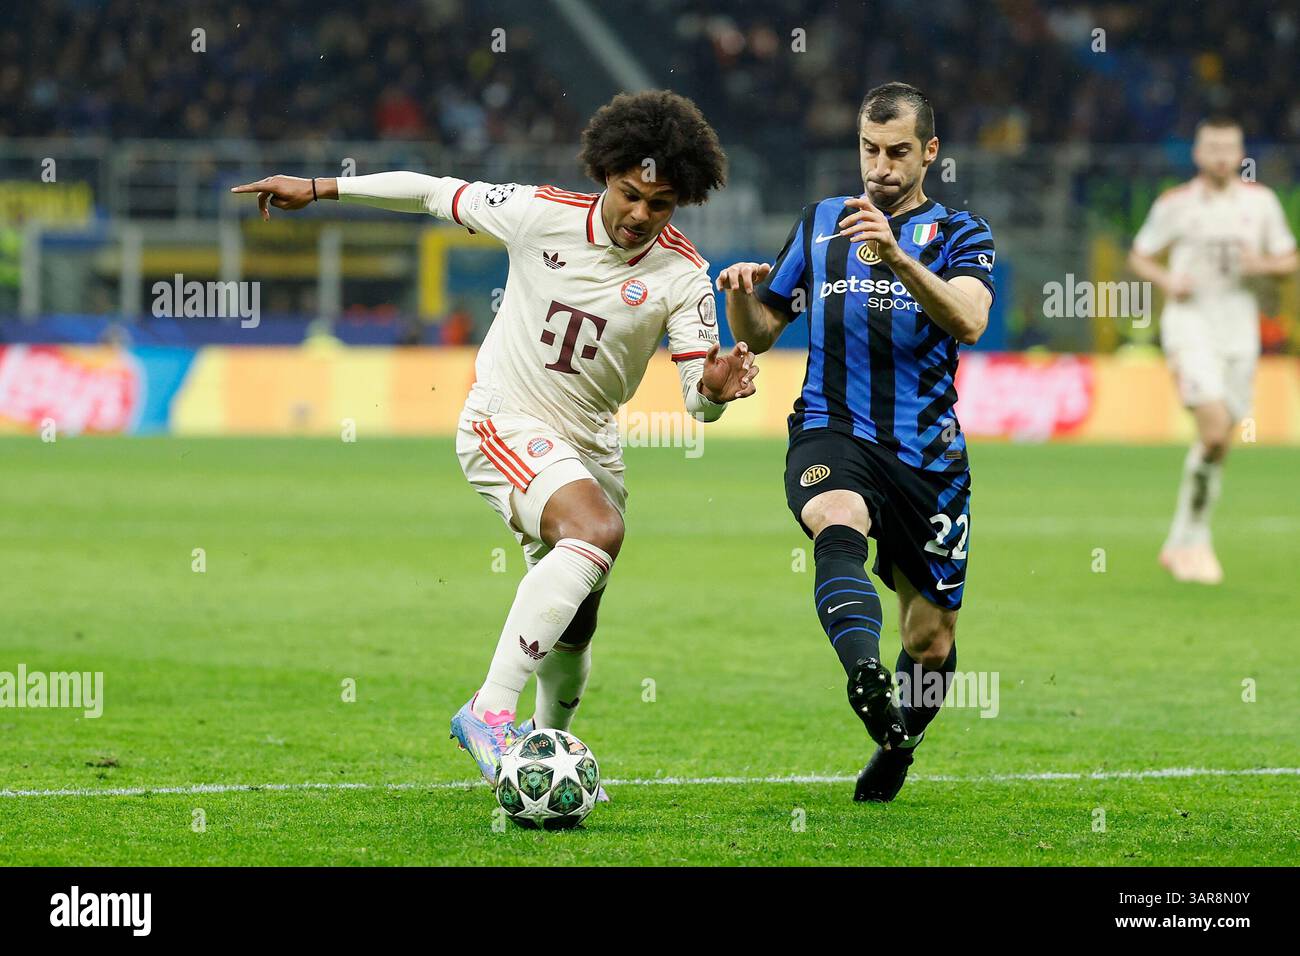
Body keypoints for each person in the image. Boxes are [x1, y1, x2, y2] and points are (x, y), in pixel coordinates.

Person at [232, 90, 758, 791]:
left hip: (591, 450)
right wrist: (324, 187)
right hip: (504, 420)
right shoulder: (539, 213)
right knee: (598, 531)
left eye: (658, 206)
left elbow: (698, 402)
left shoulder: (684, 276)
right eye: (630, 194)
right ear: (606, 174)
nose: (639, 215)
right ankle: (489, 710)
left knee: (576, 624)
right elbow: (429, 192)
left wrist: (716, 390)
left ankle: (549, 748)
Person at [718, 82, 994, 802]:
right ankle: (861, 670)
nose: (881, 167)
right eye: (870, 151)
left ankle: (898, 748)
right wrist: (741, 294)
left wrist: (898, 258)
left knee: (930, 639)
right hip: (830, 427)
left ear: (929, 152)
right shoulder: (819, 223)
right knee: (835, 516)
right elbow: (761, 332)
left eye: (898, 152)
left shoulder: (963, 234)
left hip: (928, 457)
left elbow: (968, 321)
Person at [1128, 116, 1298, 584]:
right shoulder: (1176, 205)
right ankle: (1195, 539)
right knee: (1217, 432)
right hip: (1190, 324)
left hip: (1240, 330)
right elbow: (1140, 252)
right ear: (1198, 154)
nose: (1222, 156)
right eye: (1213, 147)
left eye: (1230, 148)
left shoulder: (1260, 203)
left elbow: (1290, 259)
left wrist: (1260, 263)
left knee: (1219, 441)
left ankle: (1182, 541)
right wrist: (1166, 279)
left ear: (1240, 153)